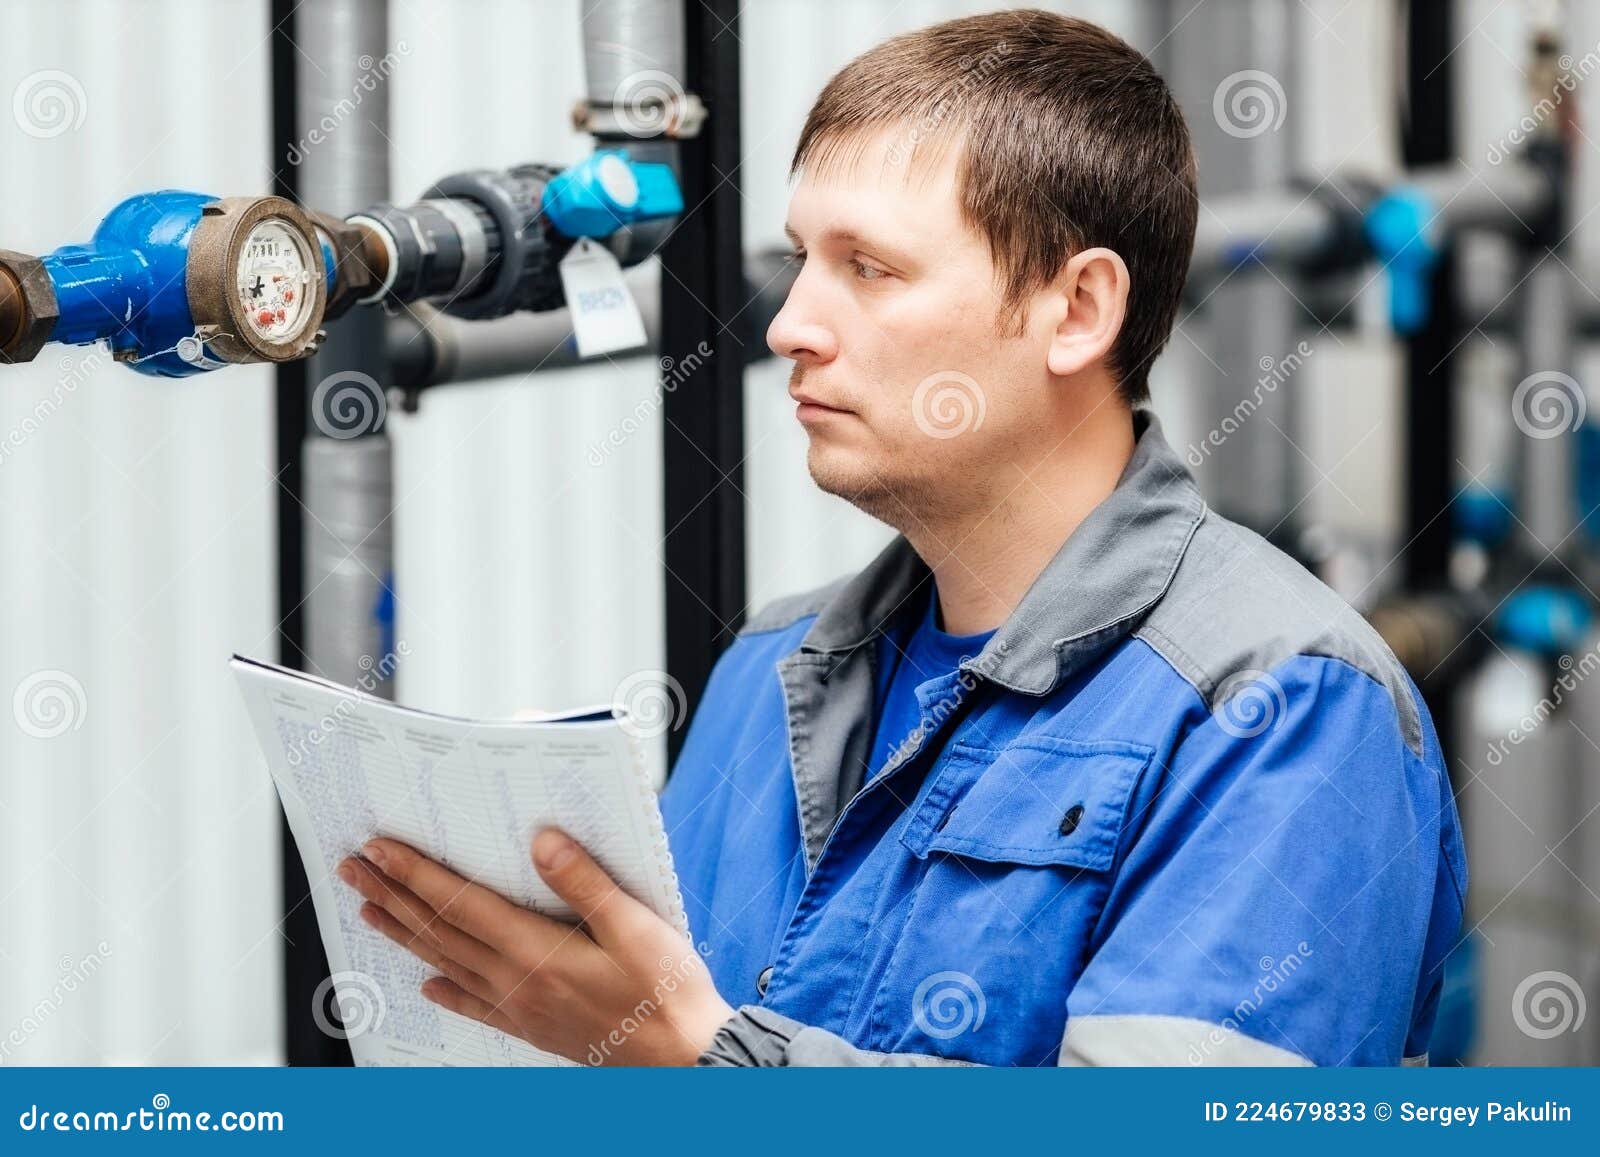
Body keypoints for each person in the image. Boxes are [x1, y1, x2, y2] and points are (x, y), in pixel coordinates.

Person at [337, 8, 1466, 1067]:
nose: (789, 326)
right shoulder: (765, 671)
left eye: (868, 269)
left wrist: (701, 1063)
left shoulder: (1280, 707)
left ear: (1076, 310)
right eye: (800, 260)